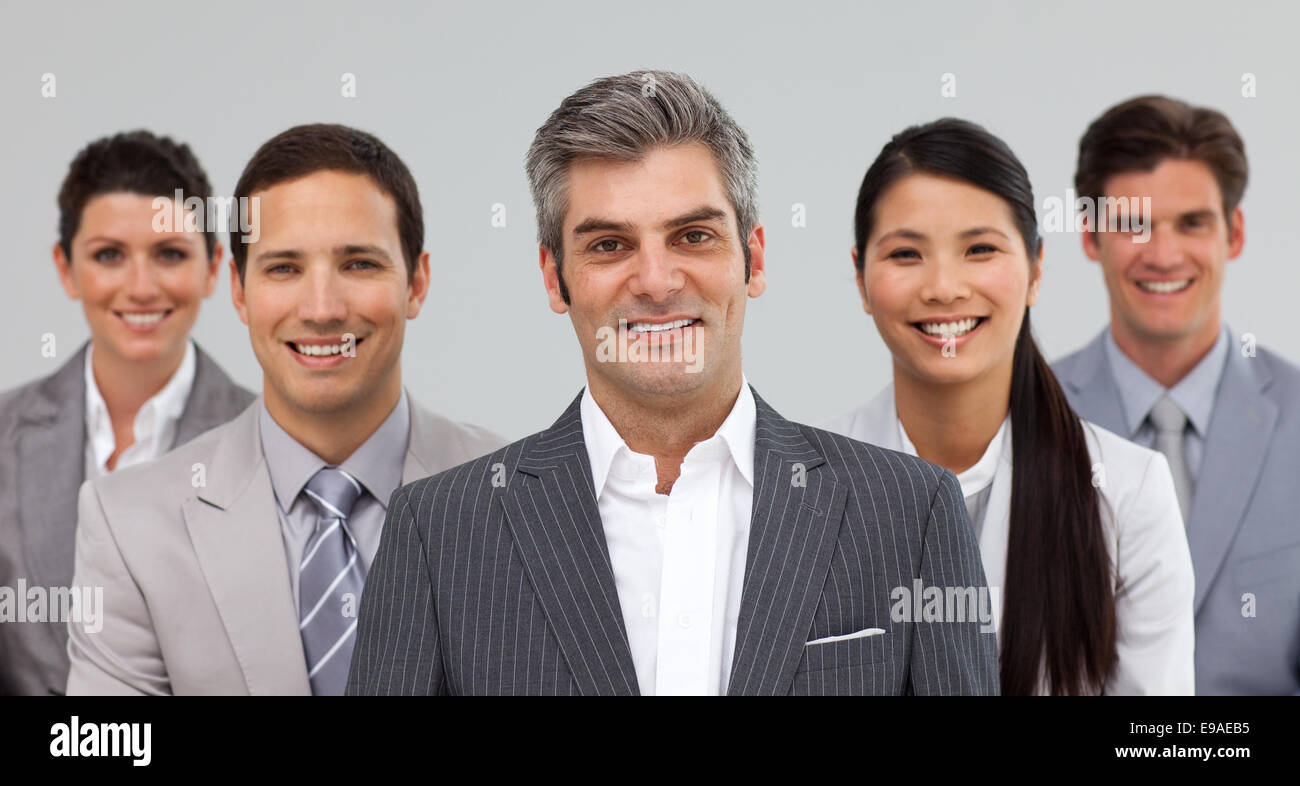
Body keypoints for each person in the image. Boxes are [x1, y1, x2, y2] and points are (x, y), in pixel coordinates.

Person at [347, 71, 998, 696]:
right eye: (609, 245)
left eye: (693, 236)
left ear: (754, 259)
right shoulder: (438, 535)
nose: (656, 282)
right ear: (554, 277)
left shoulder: (912, 516)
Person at [65, 124, 506, 695]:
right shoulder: (128, 524)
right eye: (283, 268)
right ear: (239, 291)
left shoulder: (517, 500)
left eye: (359, 264)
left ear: (417, 282)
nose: (322, 309)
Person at [823, 118, 1195, 695]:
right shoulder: (798, 487)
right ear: (860, 277)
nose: (944, 287)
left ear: (1036, 270)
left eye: (980, 249)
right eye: (905, 253)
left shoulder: (1128, 491)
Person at [1054, 95, 1300, 695]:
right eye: (1134, 224)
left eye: (1192, 223)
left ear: (1233, 233)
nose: (1163, 255)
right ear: (1090, 235)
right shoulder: (1027, 417)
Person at [0, 131, 254, 695]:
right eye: (109, 255)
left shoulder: (270, 442)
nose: (140, 287)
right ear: (66, 269)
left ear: (214, 267)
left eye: (169, 254)